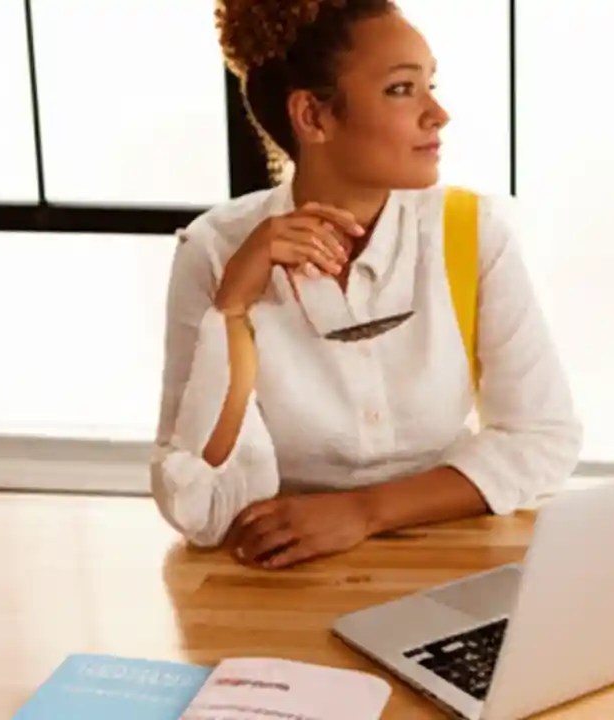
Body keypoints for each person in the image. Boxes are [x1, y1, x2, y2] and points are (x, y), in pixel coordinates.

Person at [150, 0, 581, 570]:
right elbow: (199, 507)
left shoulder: (472, 233)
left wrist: (364, 512)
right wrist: (231, 309)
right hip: (282, 569)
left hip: (452, 551)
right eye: (402, 89)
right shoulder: (215, 250)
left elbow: (543, 440)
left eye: (430, 85)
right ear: (313, 116)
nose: (439, 114)